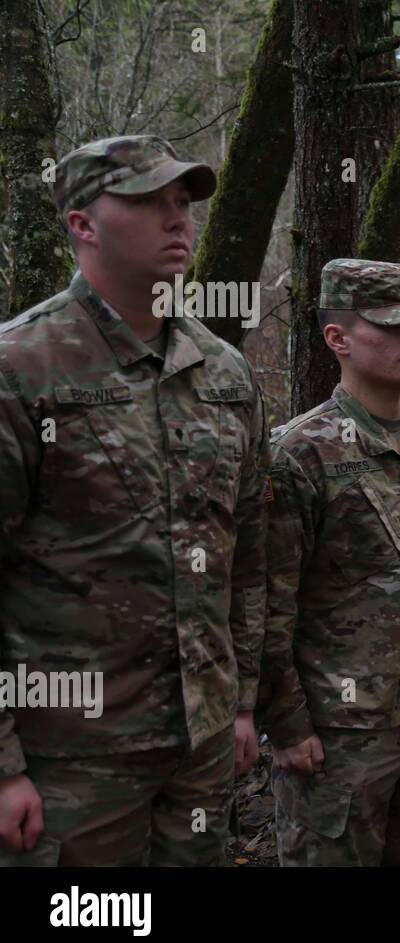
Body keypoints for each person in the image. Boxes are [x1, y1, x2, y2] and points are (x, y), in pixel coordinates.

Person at [0, 134, 268, 865]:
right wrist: (5, 766)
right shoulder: (23, 367)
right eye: (149, 202)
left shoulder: (224, 372)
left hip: (200, 746)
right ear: (82, 224)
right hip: (71, 757)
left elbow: (248, 551)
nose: (177, 219)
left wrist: (243, 703)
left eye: (182, 202)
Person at [258, 259, 400, 865]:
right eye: (392, 327)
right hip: (339, 732)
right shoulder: (298, 452)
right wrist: (288, 724)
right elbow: (268, 602)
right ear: (337, 338)